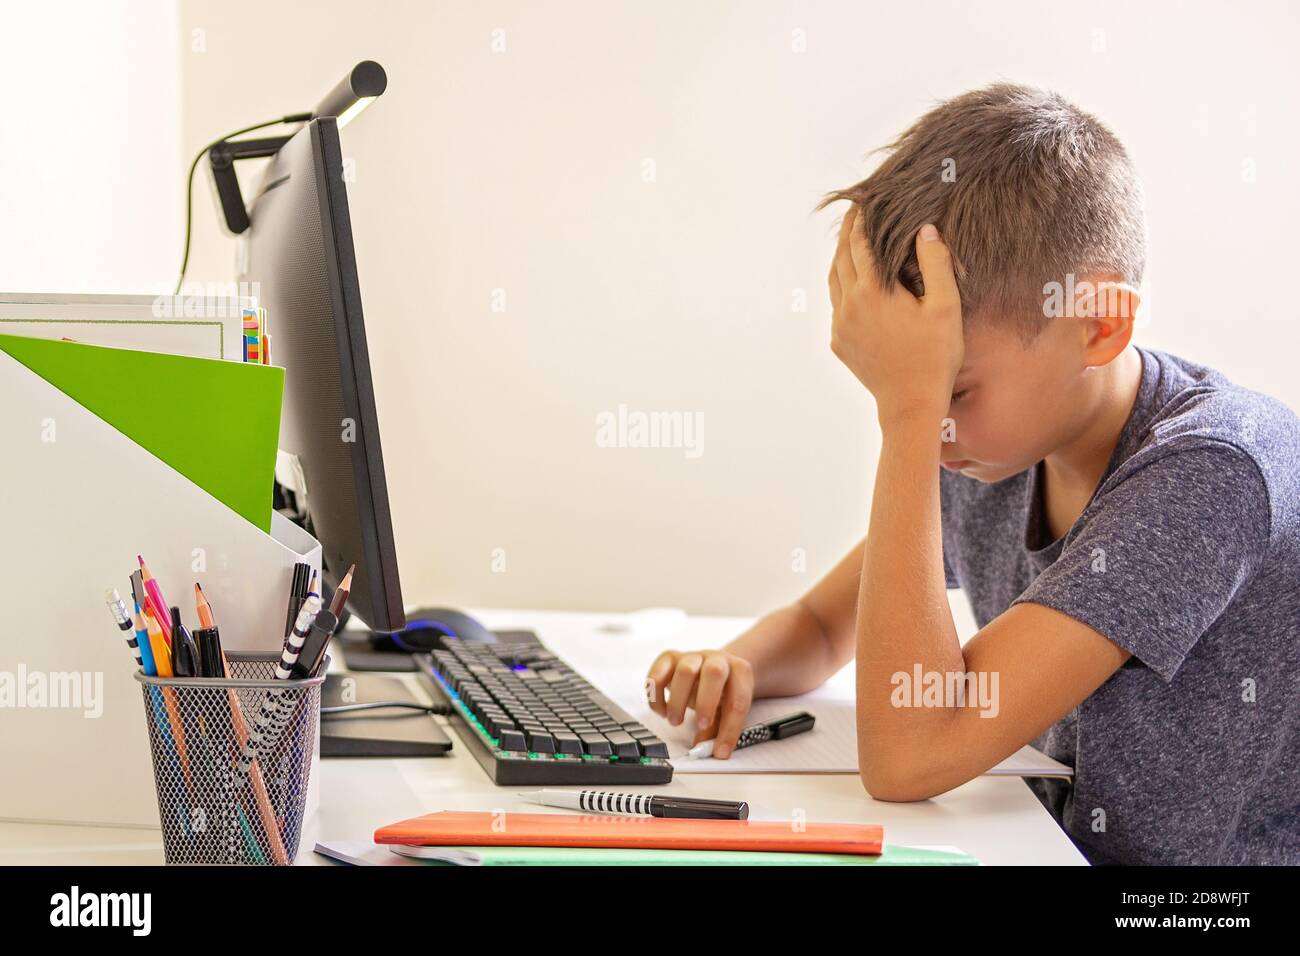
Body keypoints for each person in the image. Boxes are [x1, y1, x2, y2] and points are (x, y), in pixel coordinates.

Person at [646, 84, 1300, 865]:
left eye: (952, 388)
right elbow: (824, 627)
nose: (933, 427)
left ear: (1098, 324)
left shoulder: (1213, 471)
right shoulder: (999, 448)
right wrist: (738, 665)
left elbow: (912, 753)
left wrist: (910, 416)